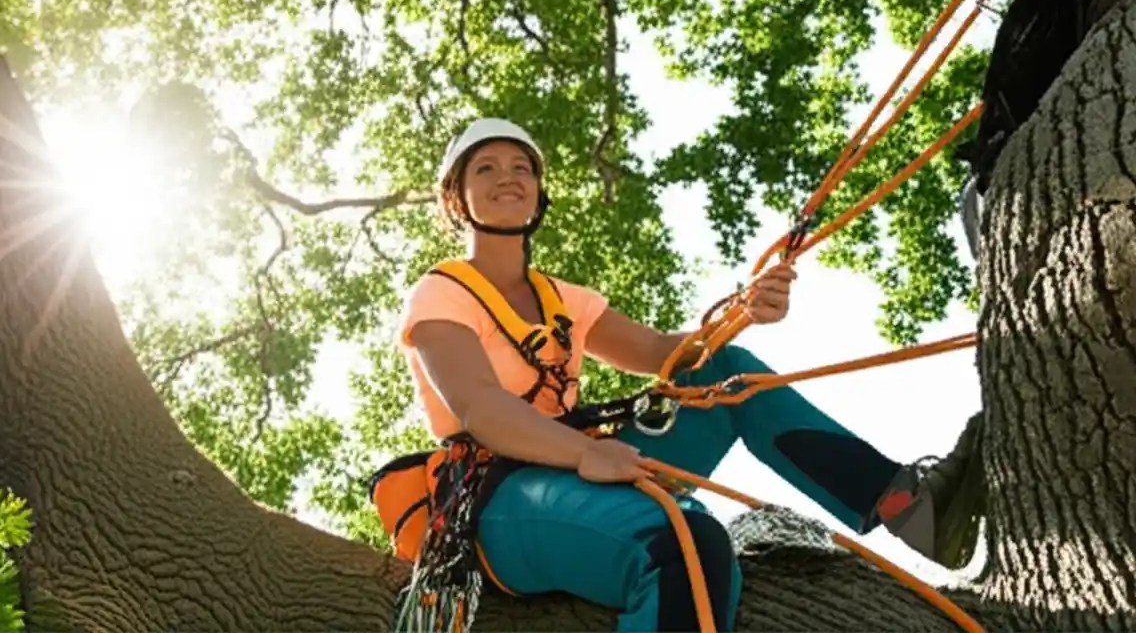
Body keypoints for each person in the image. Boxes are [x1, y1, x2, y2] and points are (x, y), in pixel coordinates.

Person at [397, 118, 948, 632]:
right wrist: (585, 454)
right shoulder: (441, 293)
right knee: (688, 544)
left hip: (584, 466)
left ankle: (906, 506)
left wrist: (744, 312)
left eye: (522, 167)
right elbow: (481, 408)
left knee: (727, 374)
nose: (508, 178)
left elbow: (663, 353)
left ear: (540, 191)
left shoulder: (562, 298)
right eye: (485, 168)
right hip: (504, 497)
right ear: (455, 197)